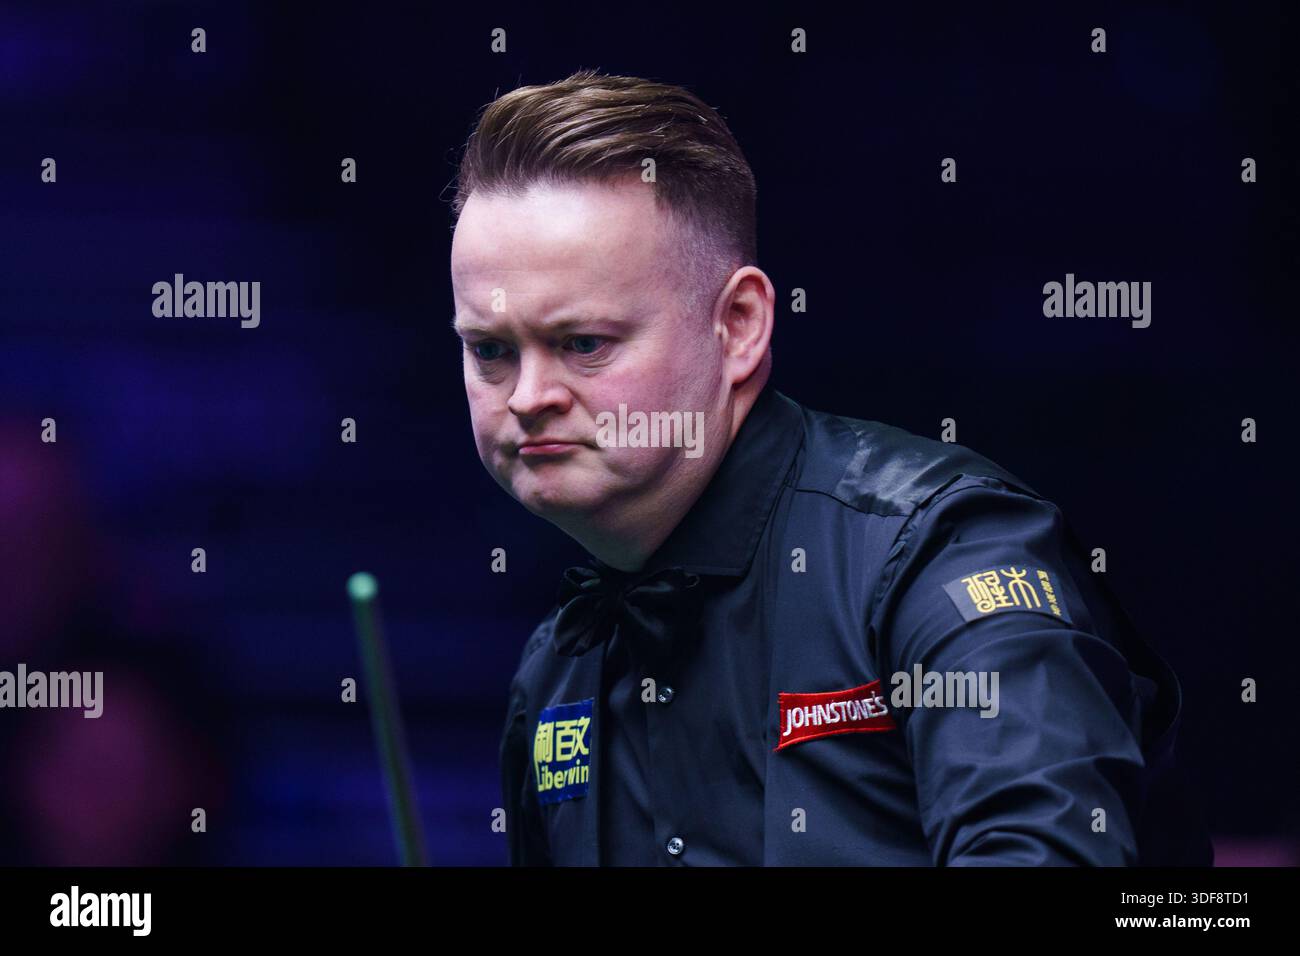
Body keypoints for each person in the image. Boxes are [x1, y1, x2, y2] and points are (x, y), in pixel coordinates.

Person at [448, 69, 1213, 865]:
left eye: (584, 344)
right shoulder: (556, 675)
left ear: (739, 327)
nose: (529, 396)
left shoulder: (942, 551)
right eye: (491, 351)